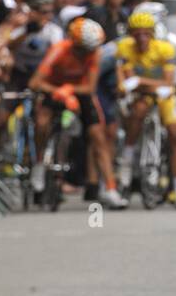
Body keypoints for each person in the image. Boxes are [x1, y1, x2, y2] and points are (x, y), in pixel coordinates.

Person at [29, 15, 126, 209]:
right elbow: (35, 82)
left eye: (88, 51)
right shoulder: (59, 50)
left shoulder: (93, 54)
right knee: (41, 123)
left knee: (98, 137)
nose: (84, 55)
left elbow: (90, 88)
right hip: (53, 89)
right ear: (73, 42)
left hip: (79, 92)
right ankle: (39, 165)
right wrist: (57, 91)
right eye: (81, 50)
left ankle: (110, 188)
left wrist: (71, 90)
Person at [116, 10, 176, 209]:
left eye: (146, 33)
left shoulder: (165, 49)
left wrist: (140, 81)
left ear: (152, 34)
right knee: (137, 112)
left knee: (175, 133)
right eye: (137, 34)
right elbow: (128, 82)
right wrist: (144, 84)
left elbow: (167, 82)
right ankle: (127, 163)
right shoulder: (125, 48)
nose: (141, 38)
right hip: (145, 95)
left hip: (166, 95)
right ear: (131, 34)